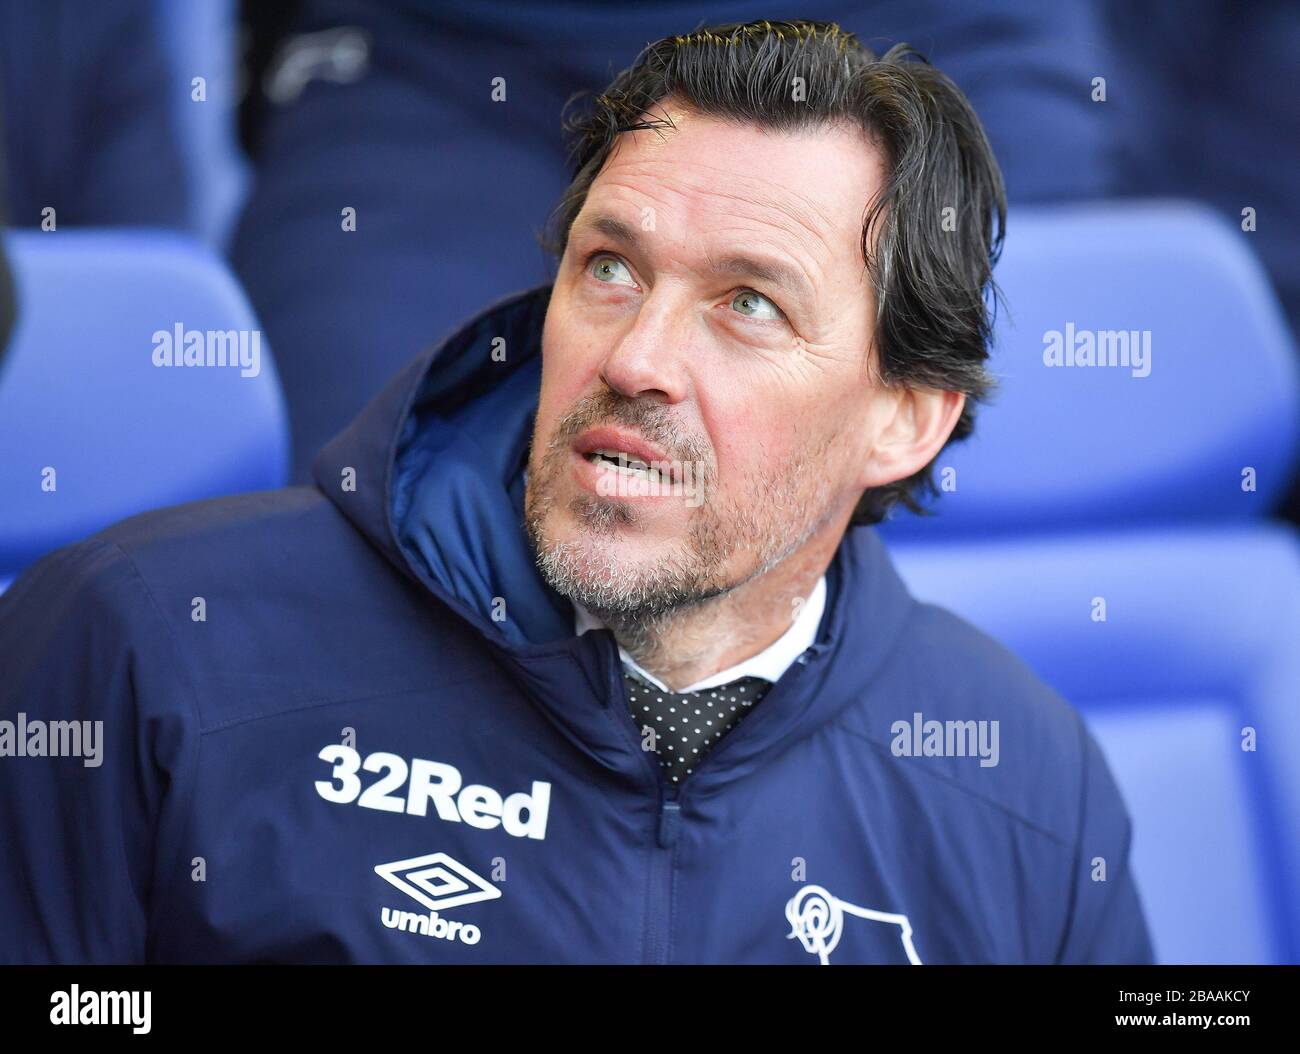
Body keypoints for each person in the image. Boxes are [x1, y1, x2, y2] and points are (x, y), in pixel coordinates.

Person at [0, 20, 1153, 964]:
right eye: (609, 268)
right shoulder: (145, 644)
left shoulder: (1024, 784)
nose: (638, 355)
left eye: (747, 303)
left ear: (904, 418)